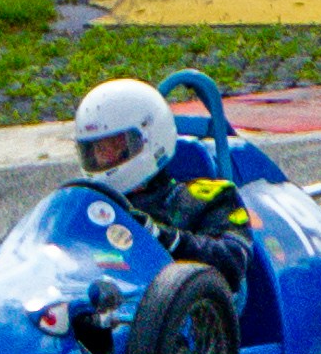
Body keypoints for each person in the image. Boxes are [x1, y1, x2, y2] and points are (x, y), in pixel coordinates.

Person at [71, 80, 262, 301]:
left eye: (114, 145)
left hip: (179, 318)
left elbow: (232, 263)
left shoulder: (203, 198)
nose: (103, 157)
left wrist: (161, 237)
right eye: (97, 149)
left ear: (149, 139)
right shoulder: (88, 205)